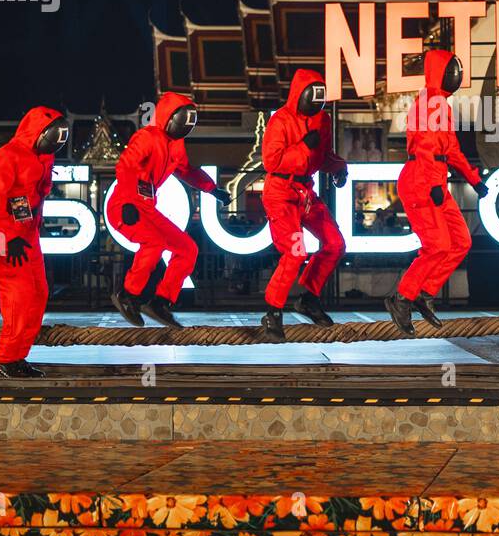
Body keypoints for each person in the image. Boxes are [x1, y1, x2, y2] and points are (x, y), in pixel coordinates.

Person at [106, 92, 230, 327]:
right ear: (168, 117)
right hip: (125, 206)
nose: (187, 126)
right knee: (154, 243)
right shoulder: (146, 137)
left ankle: (160, 302)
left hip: (148, 208)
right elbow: (125, 166)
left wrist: (212, 190)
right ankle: (128, 296)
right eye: (184, 120)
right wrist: (129, 202)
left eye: (191, 122)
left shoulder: (176, 145)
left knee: (188, 249)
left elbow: (186, 171)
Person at [386, 49, 488, 333]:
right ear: (440, 73)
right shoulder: (427, 104)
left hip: (434, 181)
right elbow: (426, 149)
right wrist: (433, 185)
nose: (457, 75)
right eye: (452, 70)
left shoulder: (442, 105)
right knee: (438, 245)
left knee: (461, 241)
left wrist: (474, 180)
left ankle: (424, 293)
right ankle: (402, 298)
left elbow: (451, 150)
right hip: (421, 181)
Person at [257, 69, 348, 341]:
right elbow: (271, 162)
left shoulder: (323, 119)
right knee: (296, 252)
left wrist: (339, 168)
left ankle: (309, 297)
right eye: (313, 95)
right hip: (280, 193)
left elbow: (323, 155)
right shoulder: (280, 121)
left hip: (306, 192)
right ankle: (272, 311)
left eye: (321, 96)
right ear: (301, 94)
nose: (318, 101)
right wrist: (303, 148)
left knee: (336, 243)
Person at [0, 107, 68, 378]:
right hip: (4, 236)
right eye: (54, 136)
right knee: (18, 298)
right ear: (37, 132)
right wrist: (6, 239)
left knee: (38, 295)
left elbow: (35, 196)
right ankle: (2, 359)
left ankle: (16, 357)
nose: (58, 141)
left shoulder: (43, 157)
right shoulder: (7, 155)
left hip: (27, 235)